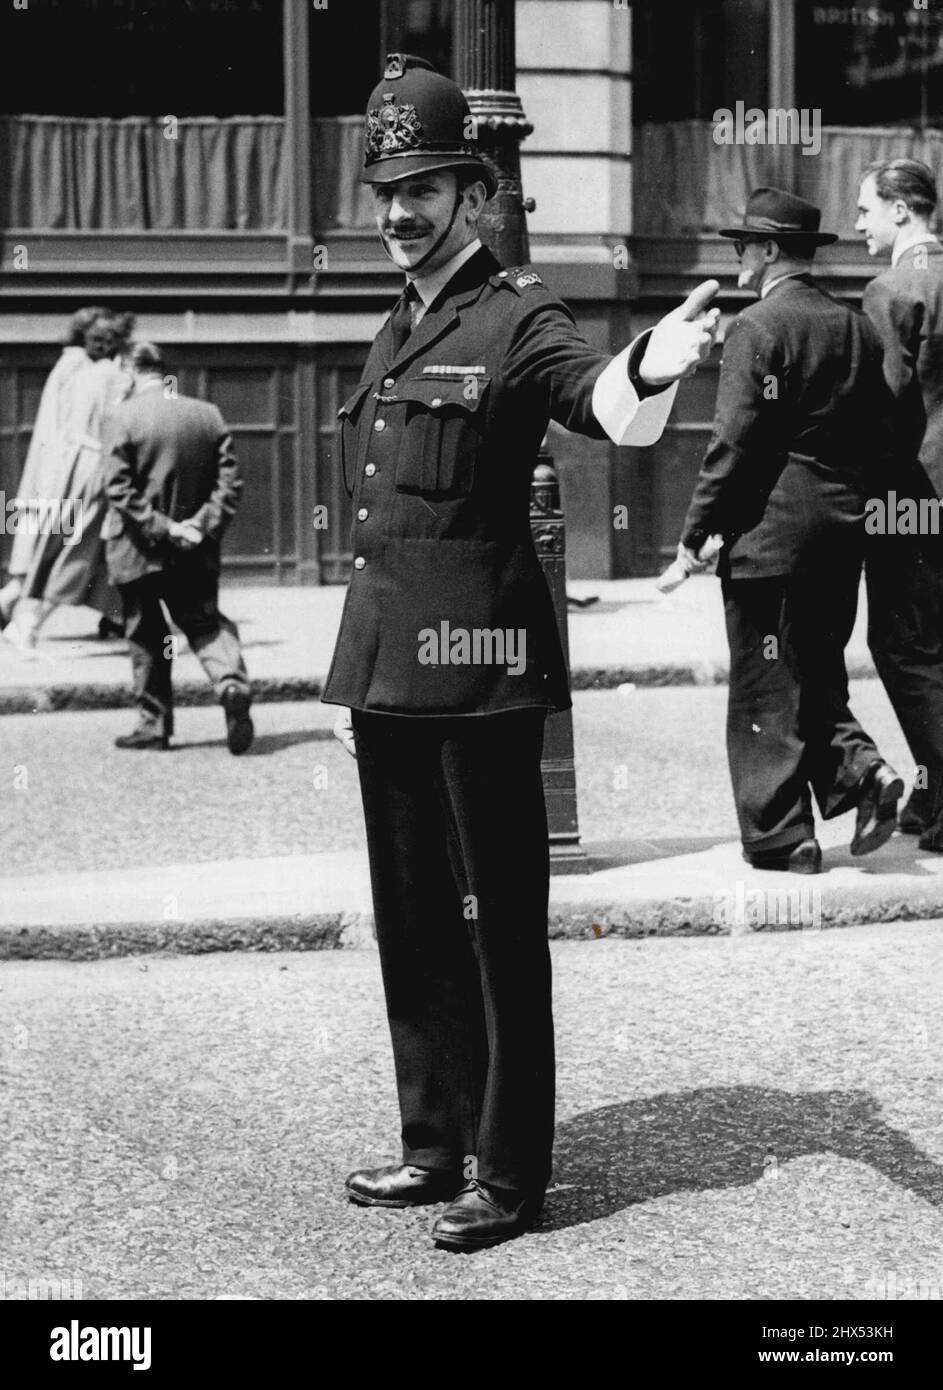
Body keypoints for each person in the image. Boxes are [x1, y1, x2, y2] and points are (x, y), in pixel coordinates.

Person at [322, 53, 719, 1252]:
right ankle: (431, 1141)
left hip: (483, 673)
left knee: (499, 926)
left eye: (425, 189)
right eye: (387, 191)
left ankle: (509, 1171)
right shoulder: (400, 319)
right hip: (388, 664)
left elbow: (595, 401)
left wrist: (653, 362)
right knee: (412, 915)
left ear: (477, 191)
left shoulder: (517, 312)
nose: (400, 212)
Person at [677, 187, 903, 874]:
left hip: (768, 536)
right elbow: (880, 431)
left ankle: (784, 837)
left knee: (762, 687)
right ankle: (861, 775)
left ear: (770, 250)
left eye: (743, 245)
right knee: (813, 672)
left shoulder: (755, 328)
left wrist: (694, 532)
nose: (737, 257)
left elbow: (733, 444)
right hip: (839, 531)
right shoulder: (854, 327)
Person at [102, 342, 253, 754]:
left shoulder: (120, 417)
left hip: (139, 550)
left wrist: (164, 527)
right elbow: (230, 486)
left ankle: (154, 726)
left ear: (130, 371)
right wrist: (196, 528)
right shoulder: (207, 414)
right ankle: (231, 684)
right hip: (195, 551)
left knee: (147, 635)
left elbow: (118, 488)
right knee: (205, 624)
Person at [855, 158, 943, 852]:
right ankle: (931, 794)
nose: (857, 224)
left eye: (865, 210)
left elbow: (882, 407)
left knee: (902, 646)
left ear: (901, 211)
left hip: (912, 497)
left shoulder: (892, 289)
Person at [0, 307, 133, 650]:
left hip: (64, 466)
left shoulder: (72, 365)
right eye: (95, 338)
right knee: (78, 544)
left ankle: (121, 616)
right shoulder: (99, 371)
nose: (102, 344)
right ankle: (26, 617)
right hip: (86, 467)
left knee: (67, 541)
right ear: (82, 337)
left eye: (109, 339)